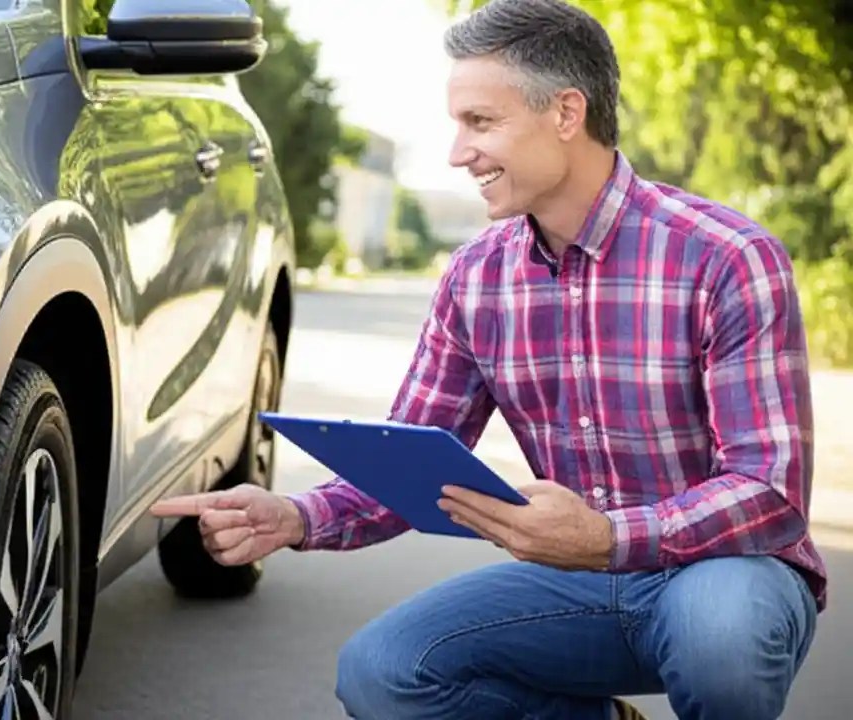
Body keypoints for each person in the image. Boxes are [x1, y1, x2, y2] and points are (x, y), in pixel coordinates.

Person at [150, 0, 827, 718]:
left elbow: (769, 492)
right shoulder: (477, 278)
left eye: (480, 122)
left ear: (567, 113)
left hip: (726, 578)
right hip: (582, 588)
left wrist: (605, 537)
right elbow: (413, 459)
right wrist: (293, 515)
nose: (456, 152)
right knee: (384, 672)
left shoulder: (726, 257)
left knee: (718, 632)